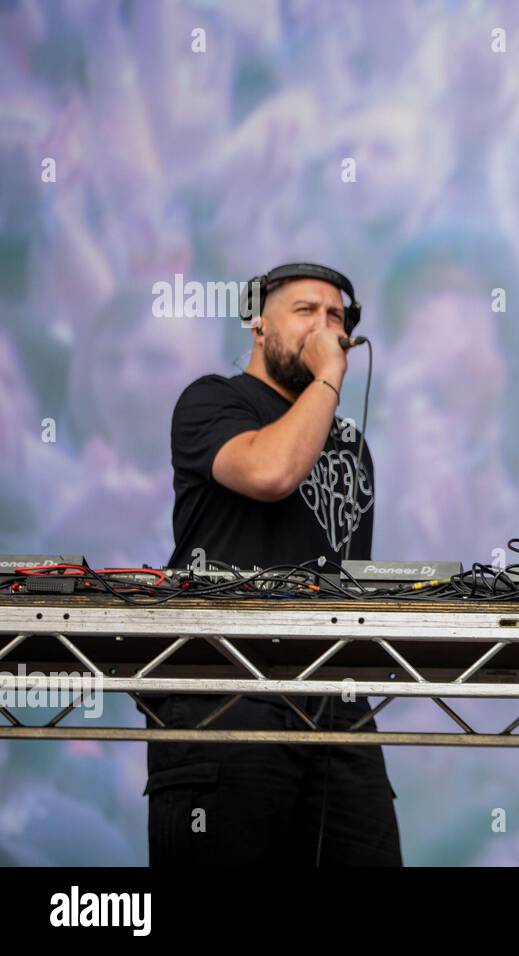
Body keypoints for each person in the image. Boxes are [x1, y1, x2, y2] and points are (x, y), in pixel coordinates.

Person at [143, 262, 401, 866]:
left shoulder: (349, 442)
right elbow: (270, 472)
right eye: (305, 312)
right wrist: (329, 377)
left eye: (336, 317)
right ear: (259, 324)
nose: (324, 328)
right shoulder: (213, 400)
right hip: (225, 691)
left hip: (336, 701)